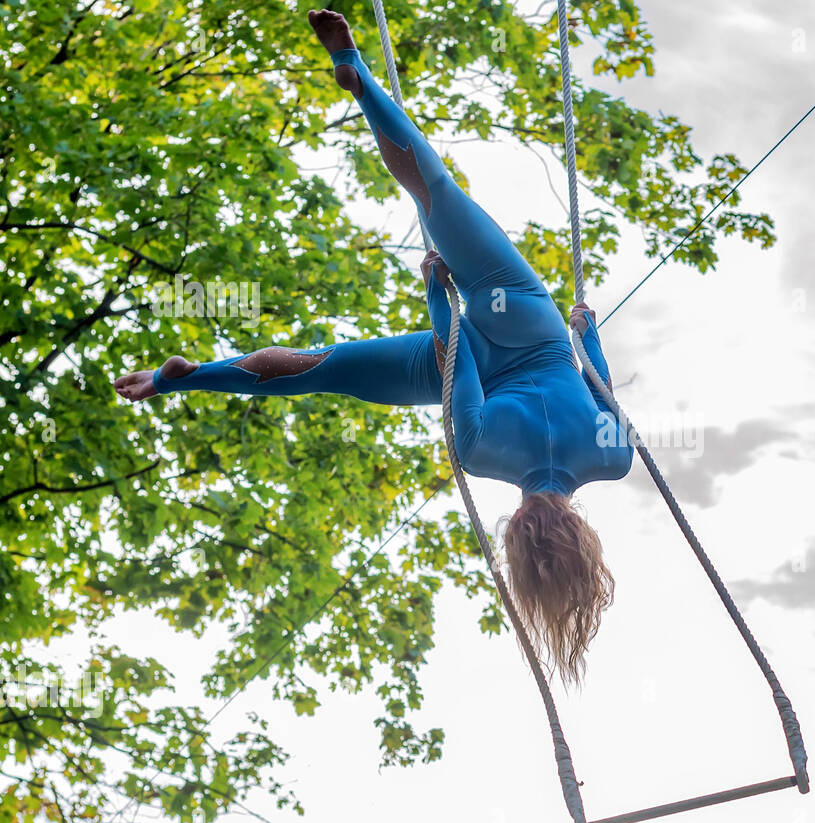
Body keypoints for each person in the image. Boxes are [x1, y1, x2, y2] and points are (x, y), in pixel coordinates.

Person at [113, 9, 634, 685]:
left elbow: (596, 383)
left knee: (434, 190)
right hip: (468, 353)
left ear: (582, 541)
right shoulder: (483, 457)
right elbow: (453, 366)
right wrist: (437, 303)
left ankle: (357, 74)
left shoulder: (613, 459)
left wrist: (585, 332)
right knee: (318, 370)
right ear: (517, 540)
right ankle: (183, 380)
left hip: (524, 322)